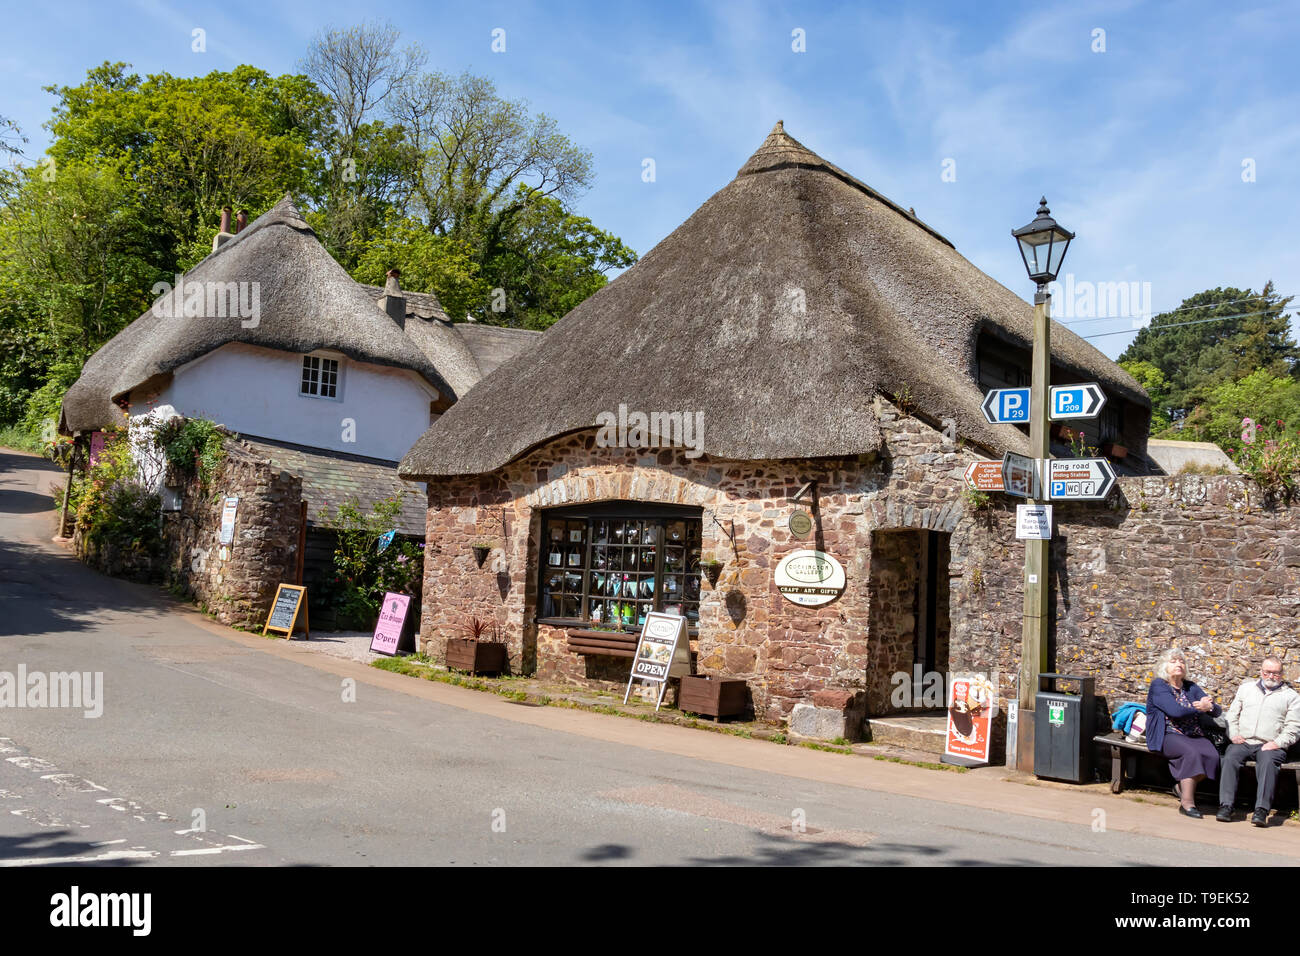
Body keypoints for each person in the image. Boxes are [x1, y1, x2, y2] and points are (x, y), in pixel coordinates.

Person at [1216, 657, 1300, 826]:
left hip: (1271, 744)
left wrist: (1277, 743)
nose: (1271, 676)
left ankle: (1261, 810)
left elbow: (1294, 727)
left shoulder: (1292, 697)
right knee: (1230, 756)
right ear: (1261, 672)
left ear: (1282, 674)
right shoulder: (1246, 689)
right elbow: (1232, 715)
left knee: (1269, 762)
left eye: (1275, 673)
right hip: (1243, 741)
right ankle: (1226, 805)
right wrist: (1234, 734)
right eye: (1267, 672)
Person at [1146, 648, 1221, 818]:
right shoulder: (1159, 685)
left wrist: (1209, 706)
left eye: (1181, 661)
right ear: (1164, 666)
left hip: (1193, 734)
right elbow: (1175, 711)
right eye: (1173, 661)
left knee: (1212, 757)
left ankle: (1179, 788)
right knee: (1191, 753)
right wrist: (1201, 708)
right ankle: (1187, 803)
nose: (1179, 664)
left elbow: (1216, 711)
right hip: (1166, 734)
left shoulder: (1191, 687)